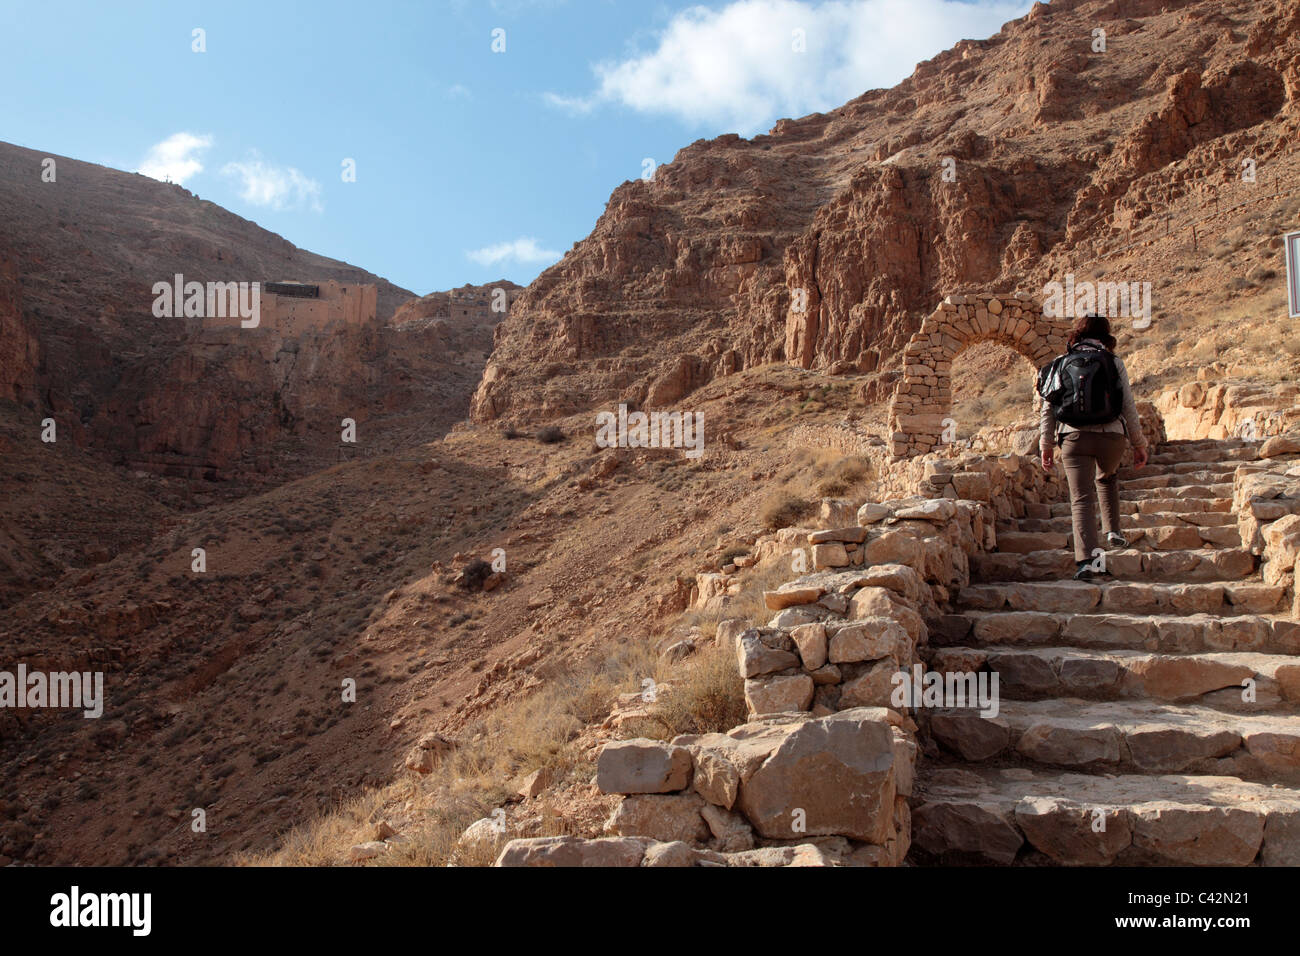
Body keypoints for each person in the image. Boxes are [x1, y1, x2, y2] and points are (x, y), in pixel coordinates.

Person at [1038, 314, 1149, 581]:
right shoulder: (1113, 362)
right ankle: (1113, 530)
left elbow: (1048, 409)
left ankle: (1089, 562)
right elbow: (1128, 407)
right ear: (1106, 336)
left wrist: (1046, 444)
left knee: (1082, 500)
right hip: (1111, 437)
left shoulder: (1059, 363)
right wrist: (1139, 444)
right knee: (1107, 477)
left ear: (1076, 334)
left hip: (1073, 439)